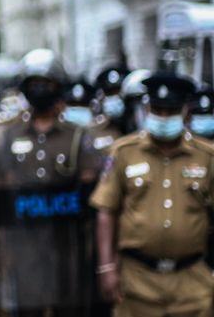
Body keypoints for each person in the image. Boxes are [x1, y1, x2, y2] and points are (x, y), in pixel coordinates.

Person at [92, 72, 214, 317]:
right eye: (158, 110)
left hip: (192, 279)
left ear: (185, 112)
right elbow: (106, 211)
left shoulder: (206, 156)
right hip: (136, 279)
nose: (164, 117)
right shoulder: (124, 152)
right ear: (147, 109)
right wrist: (106, 267)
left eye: (171, 111)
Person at [0, 49, 99, 316]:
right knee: (28, 306)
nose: (40, 89)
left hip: (67, 242)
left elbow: (89, 186)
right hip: (24, 241)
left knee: (69, 307)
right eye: (34, 84)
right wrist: (4, 245)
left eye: (46, 83)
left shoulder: (77, 136)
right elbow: (4, 189)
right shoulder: (10, 135)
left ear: (58, 87)